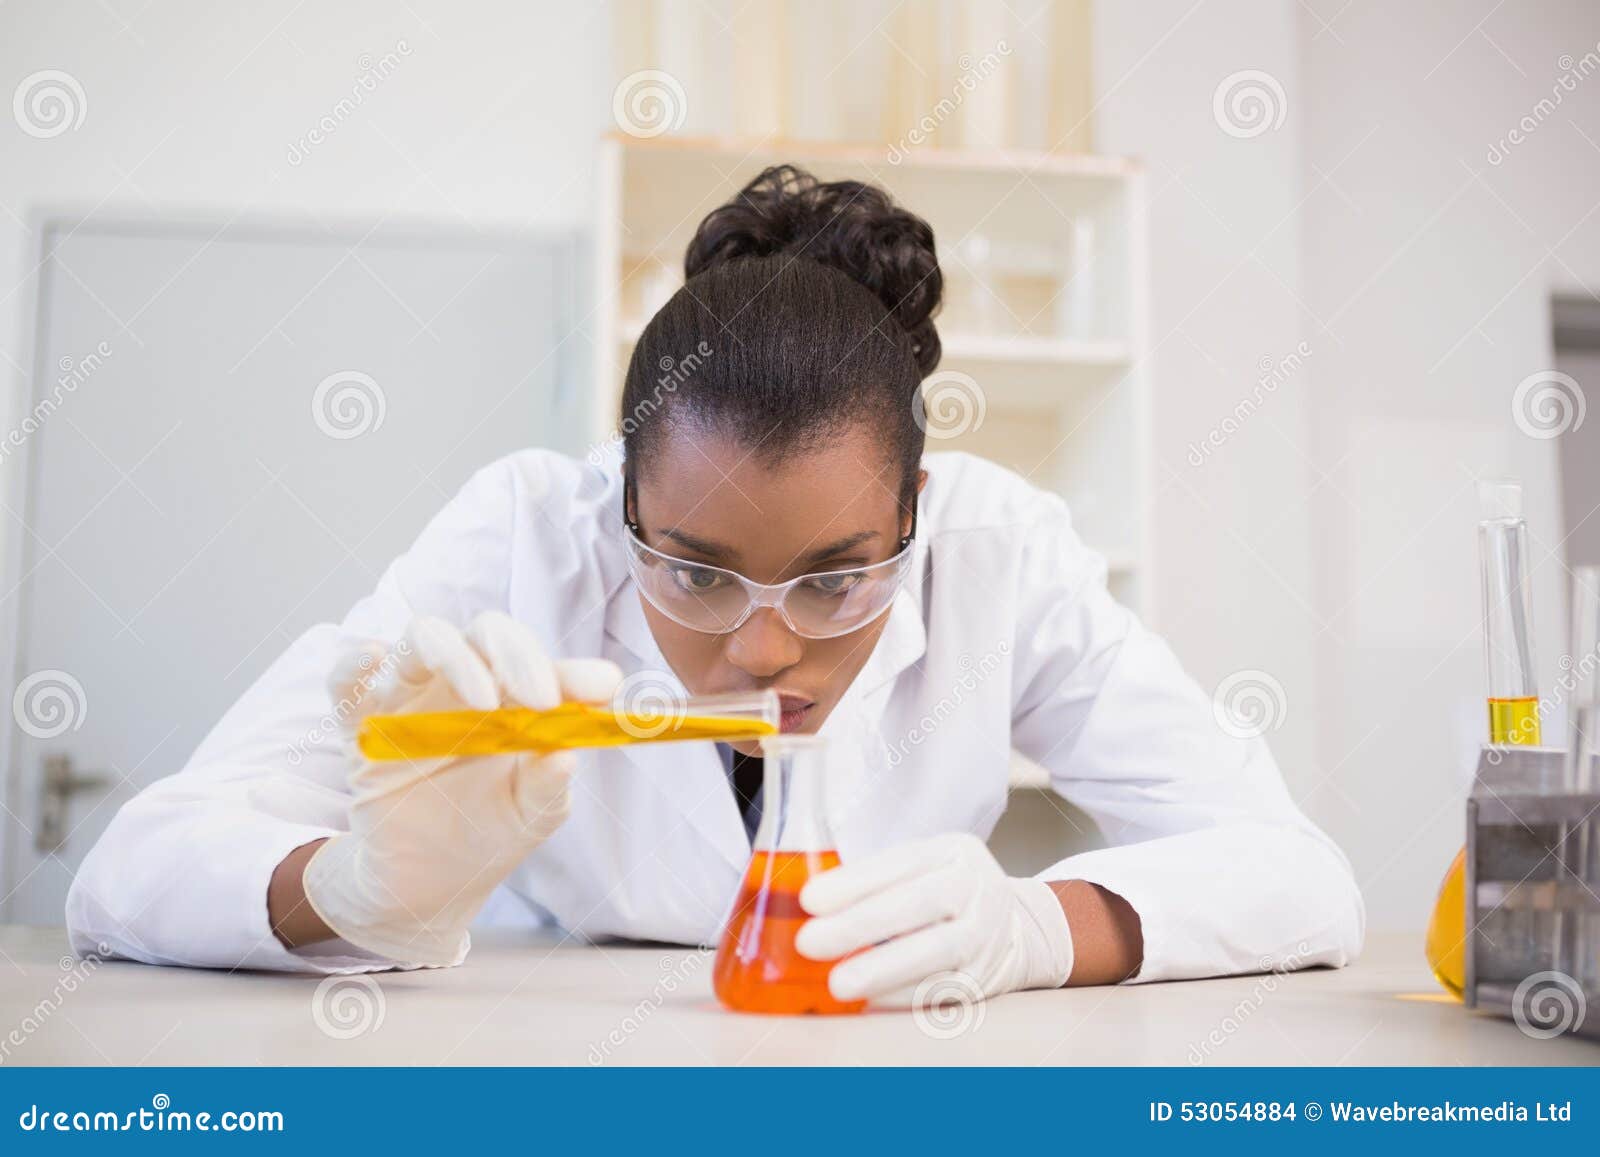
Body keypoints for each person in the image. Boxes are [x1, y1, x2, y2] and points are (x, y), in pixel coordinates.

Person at [67, 166, 1363, 1005]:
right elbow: (130, 869)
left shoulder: (998, 550)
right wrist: (349, 888)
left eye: (836, 579)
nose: (761, 652)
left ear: (914, 515)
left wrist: (1038, 927)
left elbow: (1302, 876)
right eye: (692, 571)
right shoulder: (526, 530)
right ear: (621, 506)